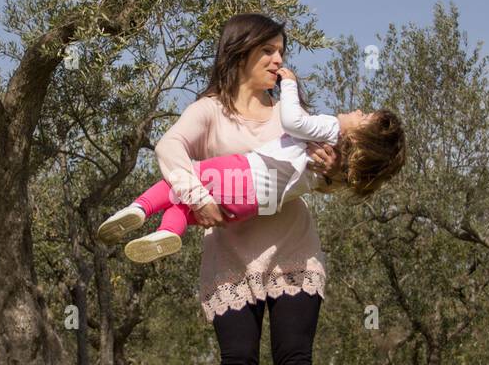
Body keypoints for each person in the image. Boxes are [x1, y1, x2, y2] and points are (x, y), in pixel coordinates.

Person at [101, 13, 374, 365]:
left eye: (282, 51)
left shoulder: (292, 112)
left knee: (294, 361)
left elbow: (320, 182)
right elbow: (171, 147)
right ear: (239, 53)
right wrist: (192, 194)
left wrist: (334, 174)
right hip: (230, 256)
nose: (278, 60)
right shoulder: (210, 111)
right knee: (237, 362)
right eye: (268, 50)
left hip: (292, 250)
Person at [97, 72, 405, 262]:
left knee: (182, 180)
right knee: (183, 205)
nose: (358, 110)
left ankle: (138, 208)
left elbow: (292, 120)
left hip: (246, 175)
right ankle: (166, 234)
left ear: (359, 135)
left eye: (364, 117)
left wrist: (290, 85)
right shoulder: (334, 171)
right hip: (253, 205)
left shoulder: (329, 128)